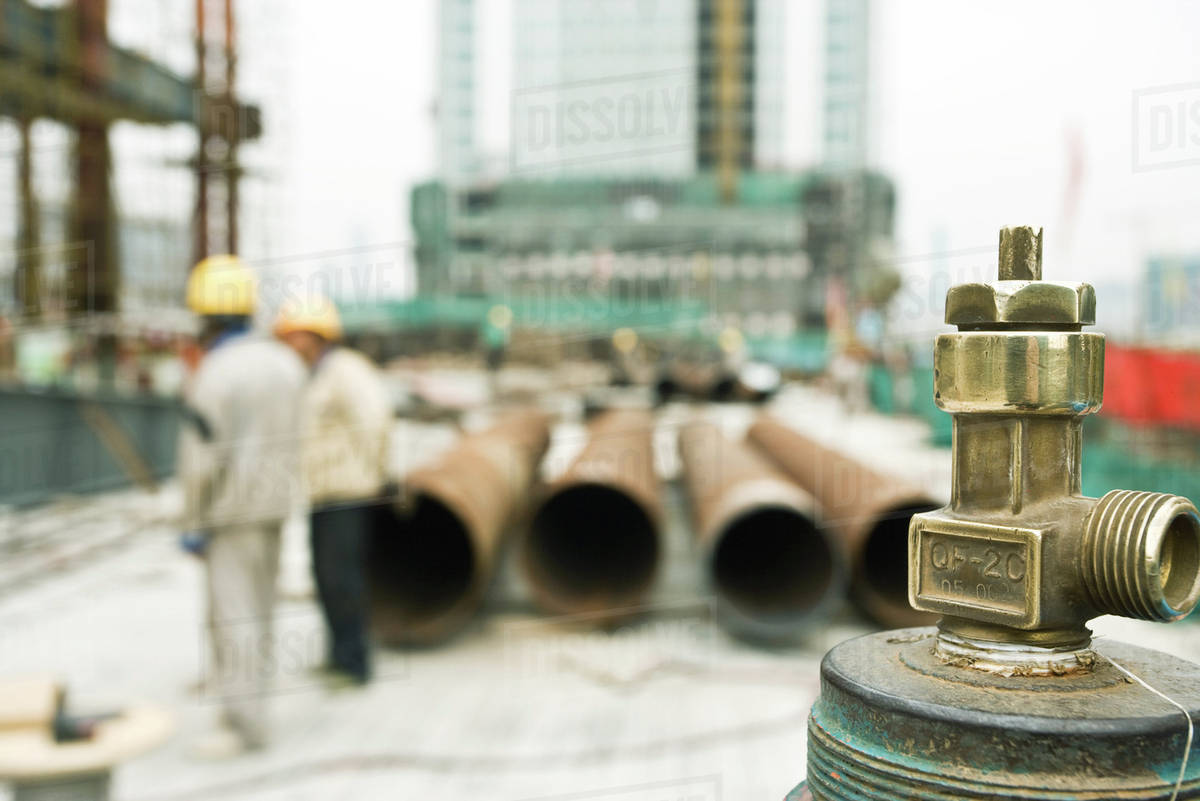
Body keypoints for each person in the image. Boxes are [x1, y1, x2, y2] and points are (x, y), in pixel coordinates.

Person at [177, 255, 305, 758]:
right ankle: (255, 708)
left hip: (230, 513)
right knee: (260, 613)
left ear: (207, 316)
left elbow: (200, 457)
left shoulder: (217, 372)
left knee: (233, 619)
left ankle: (243, 725)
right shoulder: (286, 364)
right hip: (273, 510)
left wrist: (193, 519)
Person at [274, 293, 391, 686]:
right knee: (324, 577)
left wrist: (376, 476)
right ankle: (337, 655)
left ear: (317, 336)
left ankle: (355, 663)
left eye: (296, 336)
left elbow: (374, 421)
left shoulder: (345, 370)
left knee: (343, 580)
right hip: (321, 495)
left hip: (349, 494)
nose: (290, 344)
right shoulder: (310, 376)